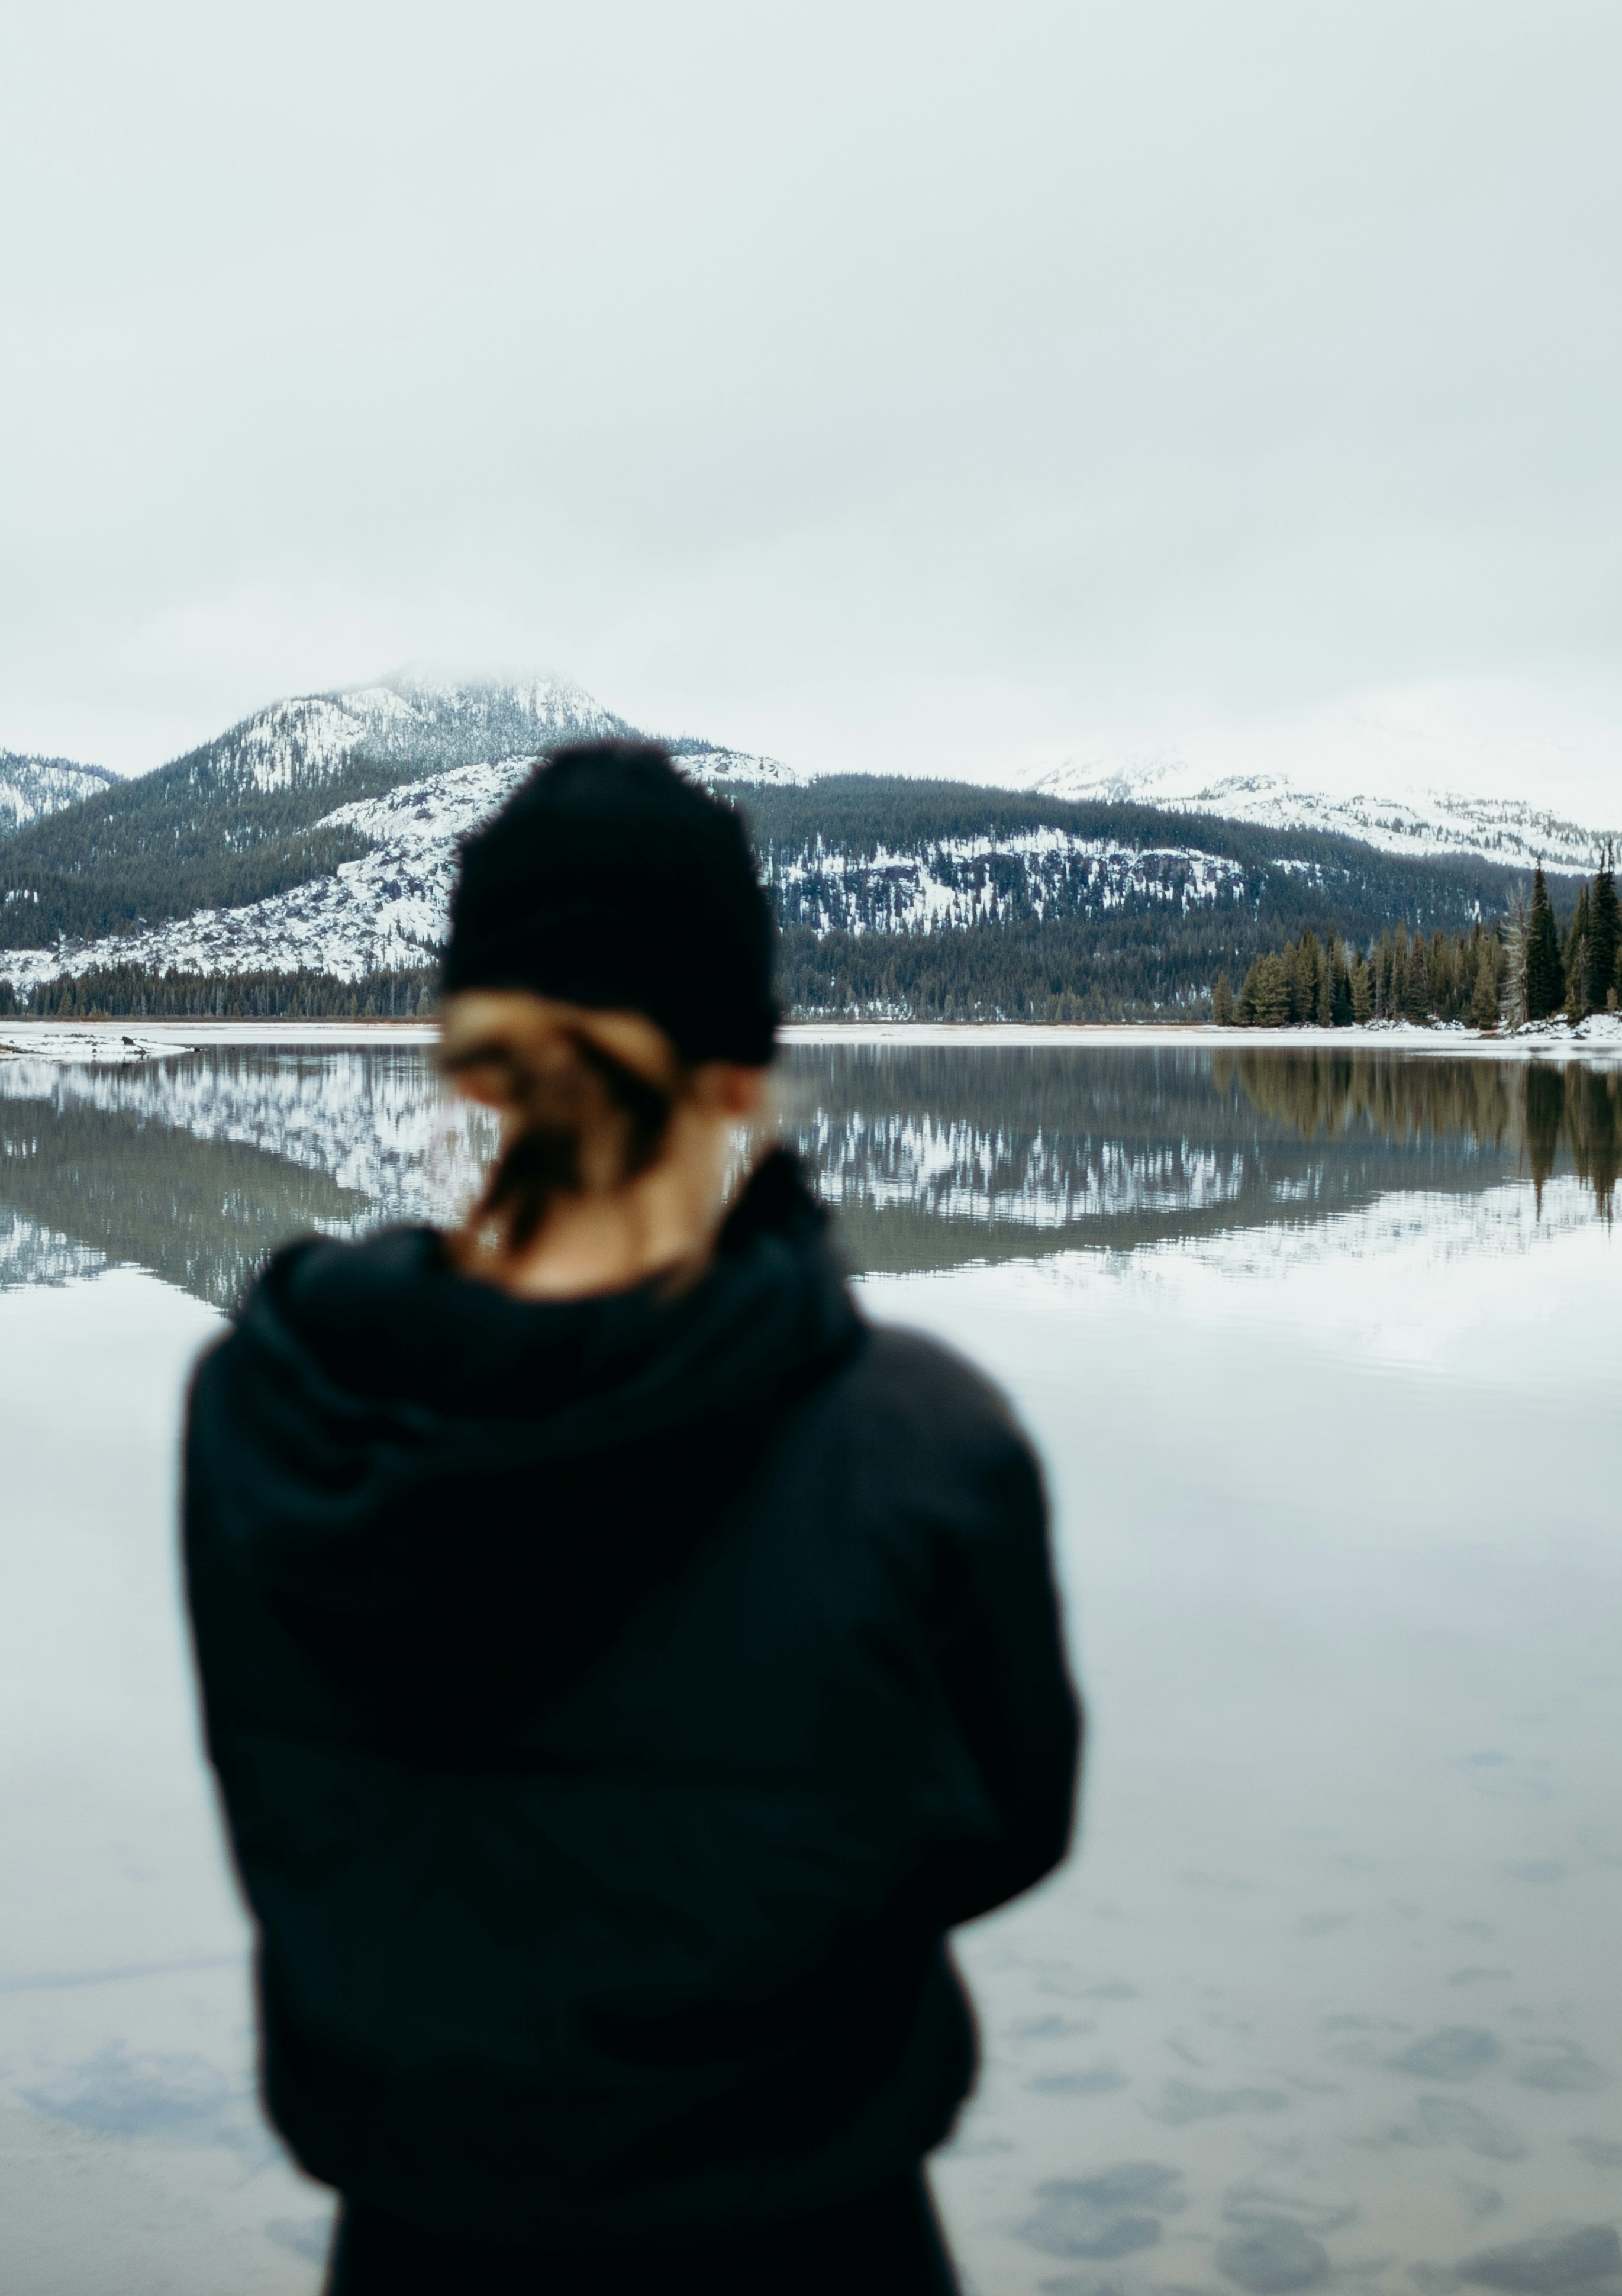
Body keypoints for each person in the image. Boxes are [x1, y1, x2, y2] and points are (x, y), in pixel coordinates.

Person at [181, 741, 1084, 2295]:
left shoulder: (271, 1417)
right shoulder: (924, 1444)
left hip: (417, 2245)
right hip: (819, 2239)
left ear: (468, 1054)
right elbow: (1005, 1826)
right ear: (742, 1065)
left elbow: (292, 1808)